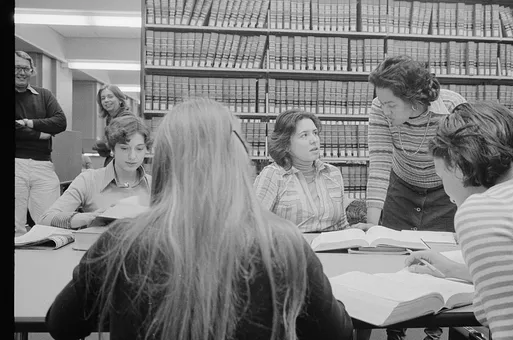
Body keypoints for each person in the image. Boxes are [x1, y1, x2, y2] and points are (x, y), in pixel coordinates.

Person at [45, 98, 353, 340]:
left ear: (164, 159)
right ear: (237, 156)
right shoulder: (285, 243)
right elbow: (337, 333)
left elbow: (60, 325)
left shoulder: (121, 241)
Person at [405, 101, 513, 340]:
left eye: (441, 177)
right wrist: (456, 270)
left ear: (458, 167)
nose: (448, 196)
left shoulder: (483, 211)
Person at [366, 55, 467, 233]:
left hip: (446, 194)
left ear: (412, 98)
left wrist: (467, 219)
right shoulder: (379, 110)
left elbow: (467, 166)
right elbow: (379, 165)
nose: (385, 111)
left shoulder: (451, 106)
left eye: (391, 105)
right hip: (401, 191)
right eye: (382, 103)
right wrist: (372, 228)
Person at [38, 115, 152, 229]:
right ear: (112, 150)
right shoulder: (89, 180)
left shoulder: (155, 185)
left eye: (139, 149)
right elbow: (46, 218)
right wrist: (90, 218)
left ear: (146, 149)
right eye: (124, 148)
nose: (132, 156)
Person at [253, 109, 351, 232]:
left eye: (315, 133)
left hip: (333, 250)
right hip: (290, 248)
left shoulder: (333, 173)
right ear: (286, 144)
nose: (314, 140)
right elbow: (254, 225)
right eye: (304, 135)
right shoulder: (273, 175)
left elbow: (341, 225)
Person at [15, 50, 67, 237]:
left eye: (25, 68)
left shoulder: (44, 95)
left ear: (32, 71)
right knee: (15, 228)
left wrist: (29, 123)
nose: (21, 72)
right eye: (16, 68)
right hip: (15, 163)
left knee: (49, 223)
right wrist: (41, 135)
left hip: (43, 165)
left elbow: (60, 122)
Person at [92, 84, 135, 167]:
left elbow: (122, 142)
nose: (106, 100)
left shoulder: (126, 118)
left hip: (125, 163)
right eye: (103, 98)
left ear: (120, 100)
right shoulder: (110, 118)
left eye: (110, 97)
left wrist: (105, 145)